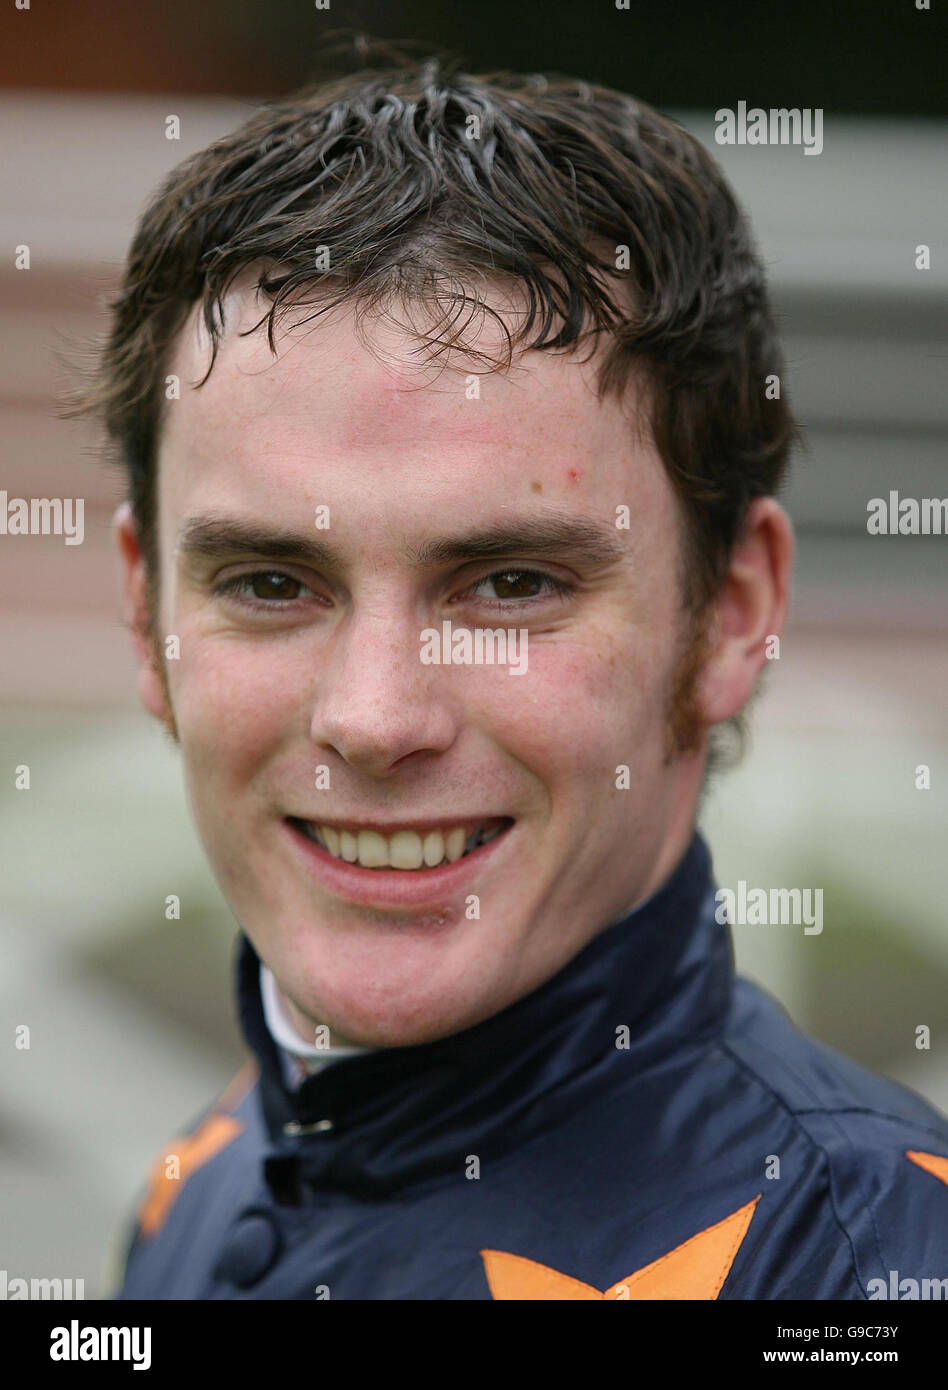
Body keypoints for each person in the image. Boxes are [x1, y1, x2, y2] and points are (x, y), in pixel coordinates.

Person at [71, 46, 948, 1300]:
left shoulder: (858, 1262)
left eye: (512, 583)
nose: (374, 716)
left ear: (733, 612)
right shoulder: (200, 1183)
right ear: (143, 606)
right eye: (272, 583)